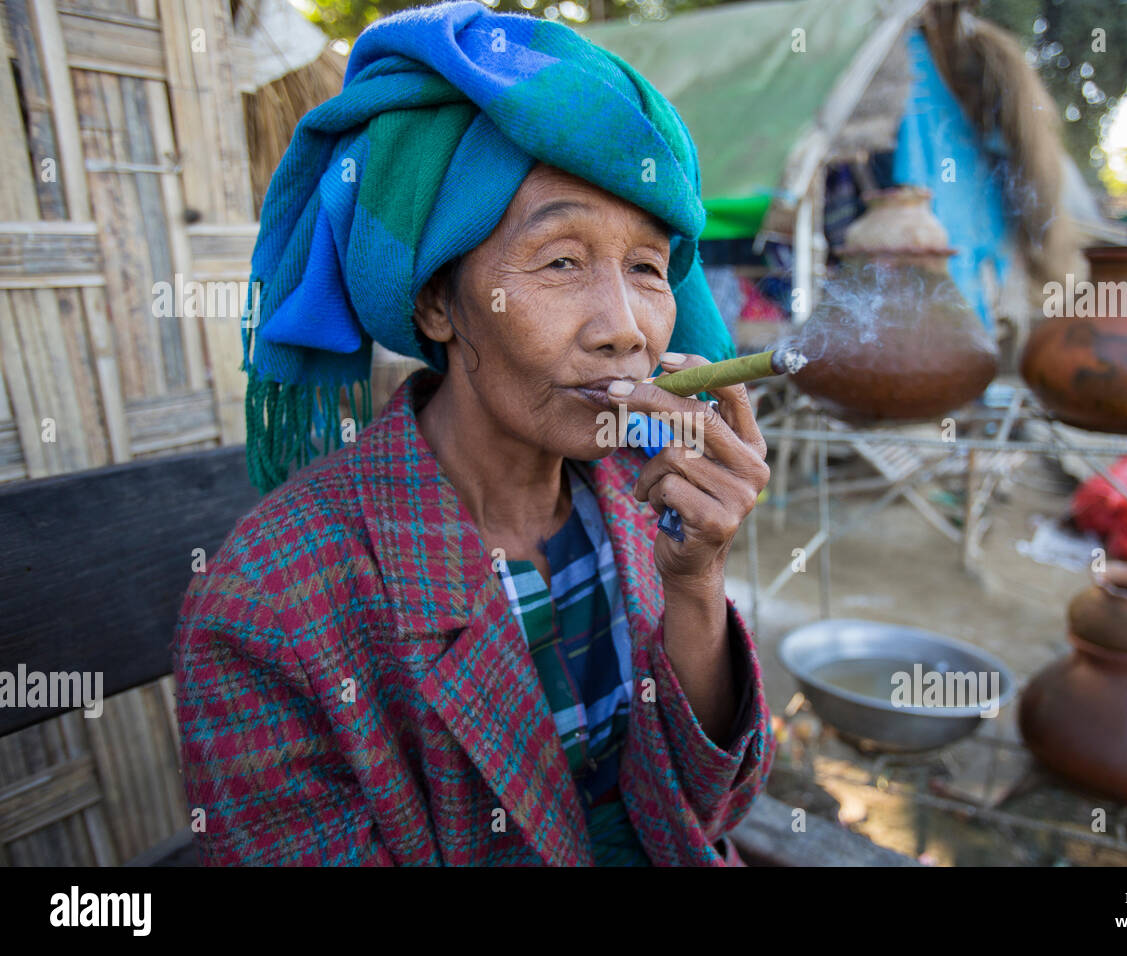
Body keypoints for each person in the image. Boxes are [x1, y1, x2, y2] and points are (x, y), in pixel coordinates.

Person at [172, 1, 774, 866]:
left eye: (647, 268)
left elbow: (712, 809)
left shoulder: (648, 500)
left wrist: (696, 584)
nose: (625, 330)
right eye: (561, 261)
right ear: (435, 303)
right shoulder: (266, 606)